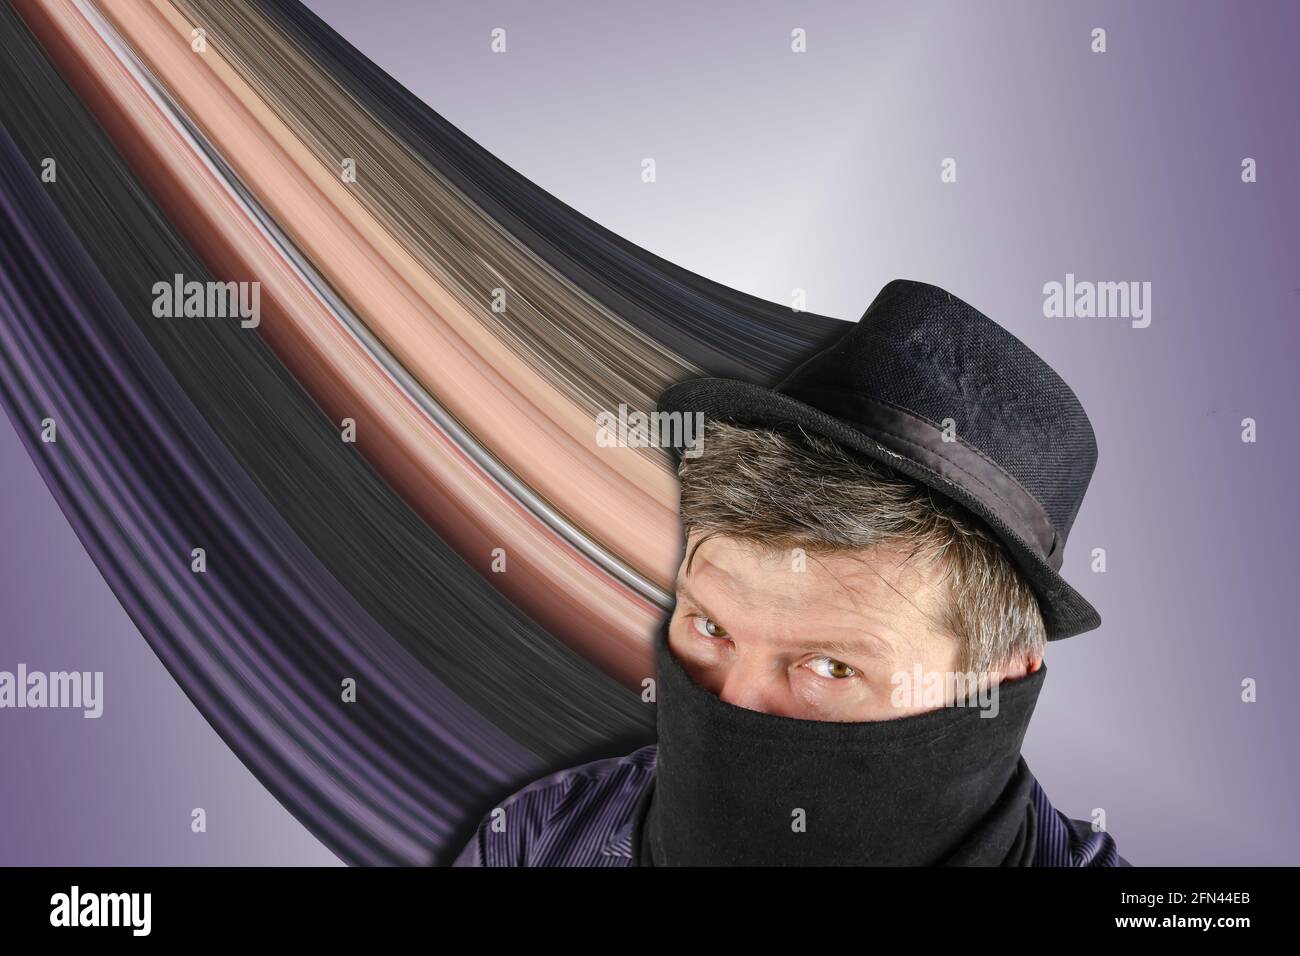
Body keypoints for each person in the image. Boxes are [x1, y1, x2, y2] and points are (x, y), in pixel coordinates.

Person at [454, 279, 1127, 867]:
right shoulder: (536, 840)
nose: (733, 706)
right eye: (712, 626)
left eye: (832, 667)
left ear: (999, 674)